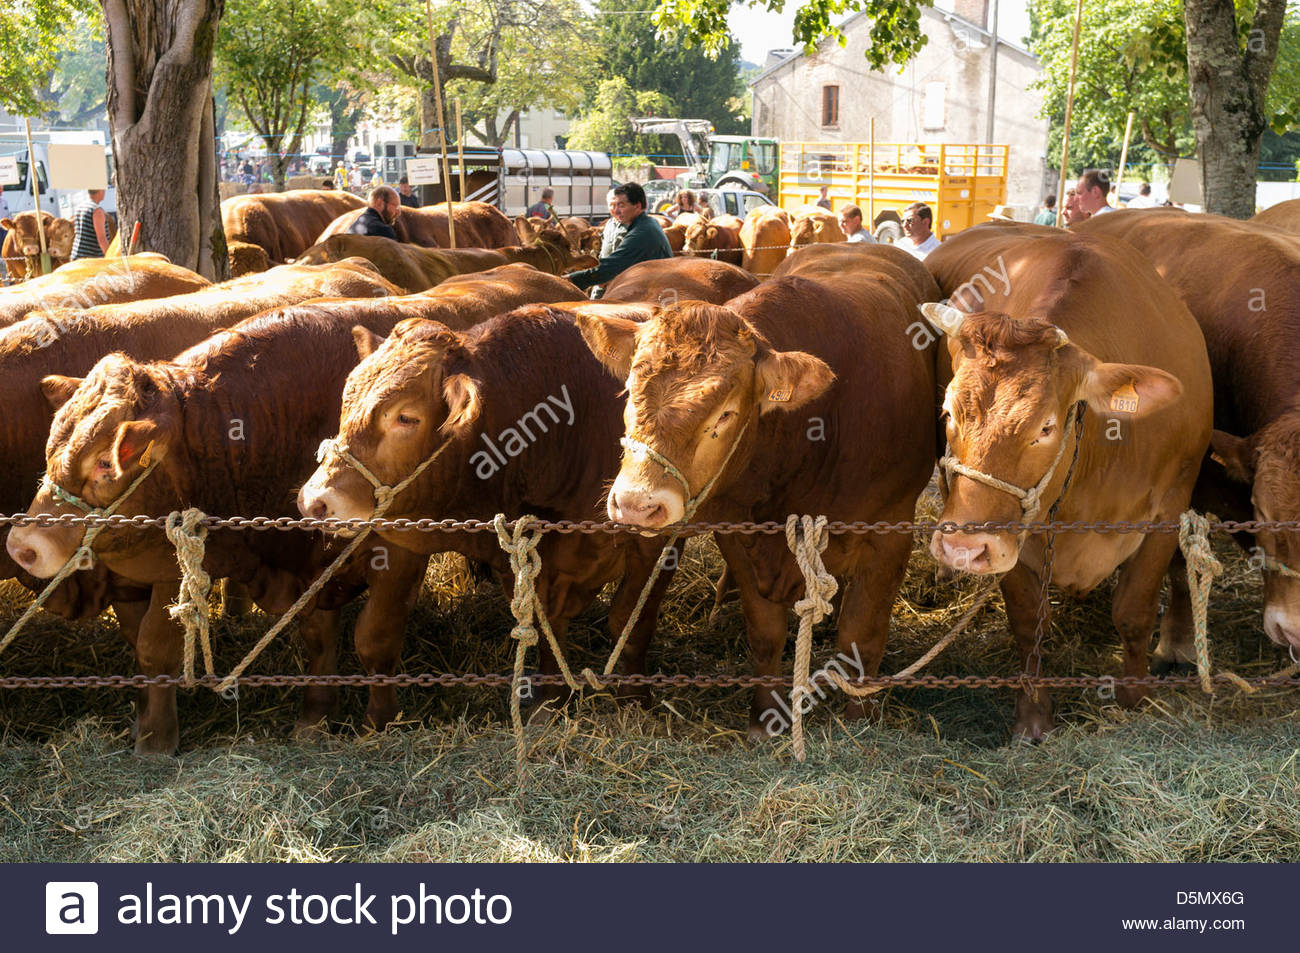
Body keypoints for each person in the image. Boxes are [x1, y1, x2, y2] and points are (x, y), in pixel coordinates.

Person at [567, 182, 673, 295]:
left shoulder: (643, 232)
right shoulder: (631, 224)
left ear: (638, 206)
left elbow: (612, 267)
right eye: (613, 205)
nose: (616, 211)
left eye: (621, 205)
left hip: (652, 296)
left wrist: (569, 280)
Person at [71, 188, 112, 260]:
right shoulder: (97, 210)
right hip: (90, 259)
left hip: (76, 256)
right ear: (100, 191)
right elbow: (102, 239)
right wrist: (111, 258)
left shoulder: (80, 207)